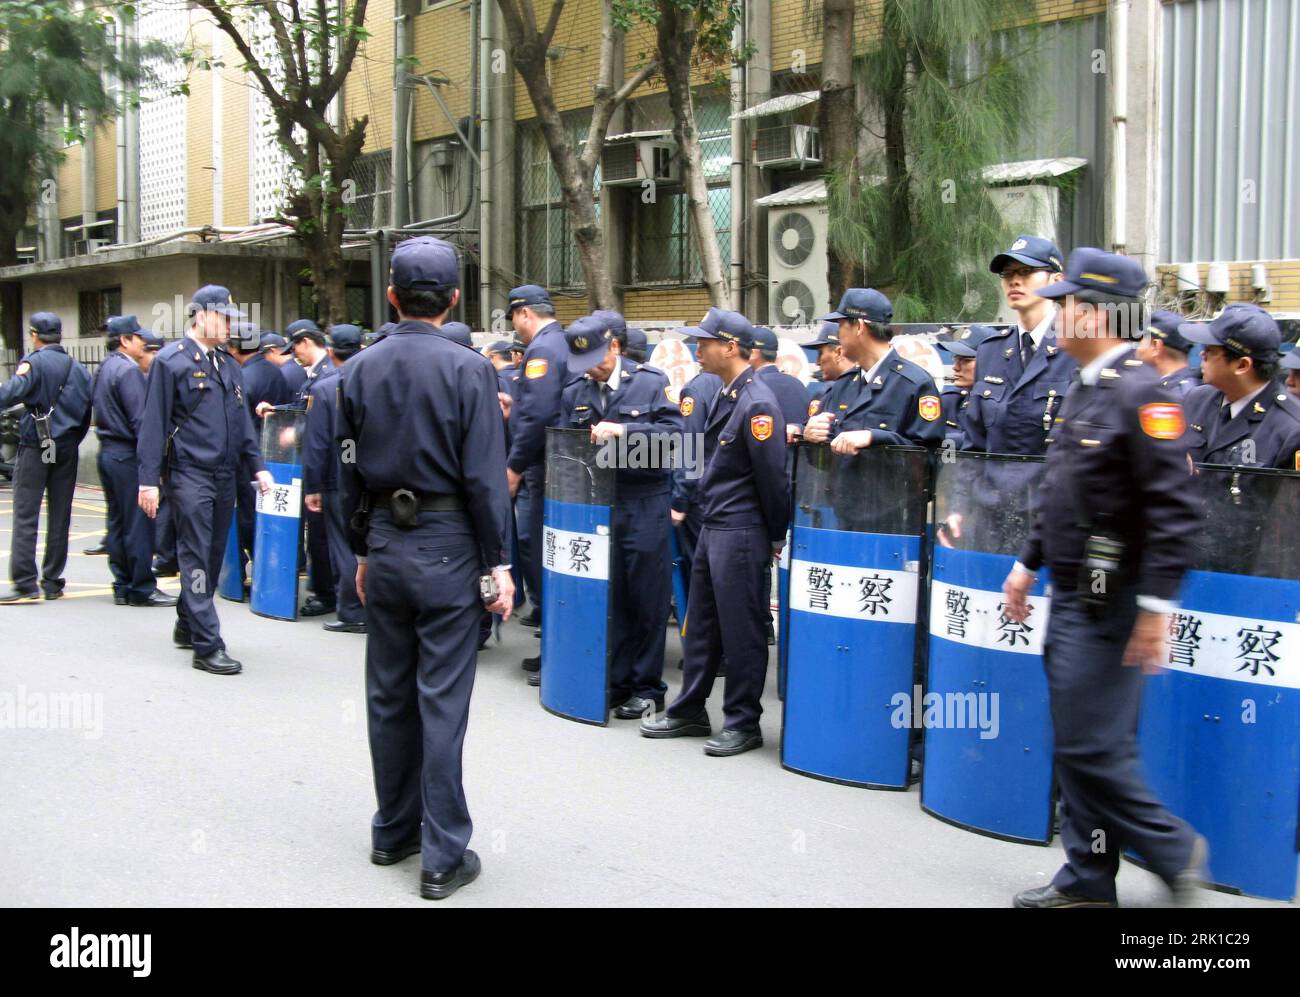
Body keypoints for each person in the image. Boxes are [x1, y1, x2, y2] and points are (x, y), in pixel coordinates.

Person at [1001, 247, 1207, 908]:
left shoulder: (1144, 393)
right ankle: (1088, 879)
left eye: (1067, 303)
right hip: (1073, 595)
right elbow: (1064, 494)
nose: (1058, 313)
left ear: (1097, 313)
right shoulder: (1087, 386)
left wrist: (1153, 609)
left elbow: (1176, 512)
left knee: (1093, 744)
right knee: (1077, 743)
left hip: (1113, 605)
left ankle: (1174, 849)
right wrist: (1026, 564)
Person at [337, 236, 513, 900]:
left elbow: (346, 468)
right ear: (456, 299)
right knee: (441, 700)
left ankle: (392, 829)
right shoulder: (471, 370)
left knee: (387, 693)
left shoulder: (359, 368)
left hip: (384, 539)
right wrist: (499, 563)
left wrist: (359, 548)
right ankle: (441, 855)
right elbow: (486, 482)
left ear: (390, 296)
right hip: (448, 542)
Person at [641, 311, 788, 756]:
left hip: (742, 530)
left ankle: (743, 721)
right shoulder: (728, 395)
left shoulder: (756, 403)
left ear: (730, 347)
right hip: (715, 524)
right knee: (700, 624)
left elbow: (773, 479)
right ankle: (690, 709)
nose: (697, 349)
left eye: (705, 343)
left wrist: (774, 536)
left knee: (741, 630)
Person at [136, 285, 274, 674]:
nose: (231, 327)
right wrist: (148, 480)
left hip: (225, 475)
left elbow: (242, 423)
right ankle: (206, 643)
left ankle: (186, 620)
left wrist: (258, 466)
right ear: (201, 316)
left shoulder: (230, 366)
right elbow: (153, 424)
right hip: (190, 474)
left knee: (212, 555)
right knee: (195, 554)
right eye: (225, 318)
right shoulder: (172, 362)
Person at [554, 315, 683, 711]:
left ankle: (647, 688)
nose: (589, 368)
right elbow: (565, 454)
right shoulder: (575, 390)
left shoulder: (649, 381)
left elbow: (679, 440)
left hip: (645, 498)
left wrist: (625, 432)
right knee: (611, 595)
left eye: (594, 357)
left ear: (614, 347)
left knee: (647, 598)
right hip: (597, 503)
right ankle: (617, 679)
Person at [0, 312, 93, 604]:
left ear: (34, 334)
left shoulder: (34, 362)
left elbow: (11, 393)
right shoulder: (78, 368)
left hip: (35, 445)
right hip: (65, 448)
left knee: (26, 513)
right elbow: (86, 412)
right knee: (61, 514)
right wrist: (70, 440)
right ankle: (52, 581)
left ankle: (26, 583)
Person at [960, 235, 1075, 455]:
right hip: (995, 487)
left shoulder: (1074, 347)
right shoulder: (990, 350)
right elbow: (974, 444)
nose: (1014, 281)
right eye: (1007, 273)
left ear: (1057, 281)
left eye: (1026, 272)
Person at [92, 315, 175, 608]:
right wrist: (154, 465)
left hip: (109, 451)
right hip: (127, 454)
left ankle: (123, 582)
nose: (144, 342)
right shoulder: (128, 372)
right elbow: (142, 422)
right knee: (139, 522)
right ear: (125, 340)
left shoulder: (106, 367)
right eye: (138, 337)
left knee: (117, 520)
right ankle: (141, 586)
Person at [506, 284, 568, 663]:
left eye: (515, 317)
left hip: (542, 465)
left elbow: (539, 415)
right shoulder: (562, 343)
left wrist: (514, 466)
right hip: (557, 464)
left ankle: (554, 646)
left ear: (525, 313)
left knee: (537, 547)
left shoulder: (543, 349)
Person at [801, 288, 945, 452]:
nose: (838, 335)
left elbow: (928, 455)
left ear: (859, 327)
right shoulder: (844, 384)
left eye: (840, 326)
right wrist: (810, 434)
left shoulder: (915, 384)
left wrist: (874, 438)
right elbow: (821, 461)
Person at [264, 323, 336, 617]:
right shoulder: (316, 375)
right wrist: (278, 410)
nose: (293, 355)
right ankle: (326, 589)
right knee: (317, 534)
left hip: (326, 466)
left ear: (306, 342)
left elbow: (321, 423)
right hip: (316, 464)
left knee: (321, 535)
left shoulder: (327, 375)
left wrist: (295, 433)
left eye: (294, 347)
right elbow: (302, 408)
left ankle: (327, 593)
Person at [1179, 304, 1300, 470]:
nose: (1202, 355)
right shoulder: (1197, 399)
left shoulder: (1290, 428)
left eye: (1210, 350)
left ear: (1242, 365)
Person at [303, 324, 365, 634]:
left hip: (336, 476)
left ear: (331, 352)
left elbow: (315, 444)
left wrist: (312, 485)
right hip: (369, 474)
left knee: (343, 545)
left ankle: (353, 610)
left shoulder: (325, 389)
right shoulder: (372, 380)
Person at [229, 321, 291, 589]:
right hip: (281, 455)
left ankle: (251, 572)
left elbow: (236, 423)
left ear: (234, 348)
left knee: (248, 515)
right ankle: (274, 570)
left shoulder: (242, 377)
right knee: (277, 515)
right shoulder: (276, 372)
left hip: (250, 458)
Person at [935, 325, 997, 445]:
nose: (955, 367)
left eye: (966, 360)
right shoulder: (951, 400)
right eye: (956, 358)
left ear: (991, 361)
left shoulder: (1003, 406)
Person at [1136, 310, 1200, 396]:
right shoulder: (1189, 387)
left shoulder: (1172, 395)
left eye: (1141, 341)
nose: (1138, 349)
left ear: (1156, 347)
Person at [804, 321, 853, 420]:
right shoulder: (866, 387)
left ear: (838, 352)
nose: (817, 362)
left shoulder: (826, 393)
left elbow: (814, 433)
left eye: (820, 353)